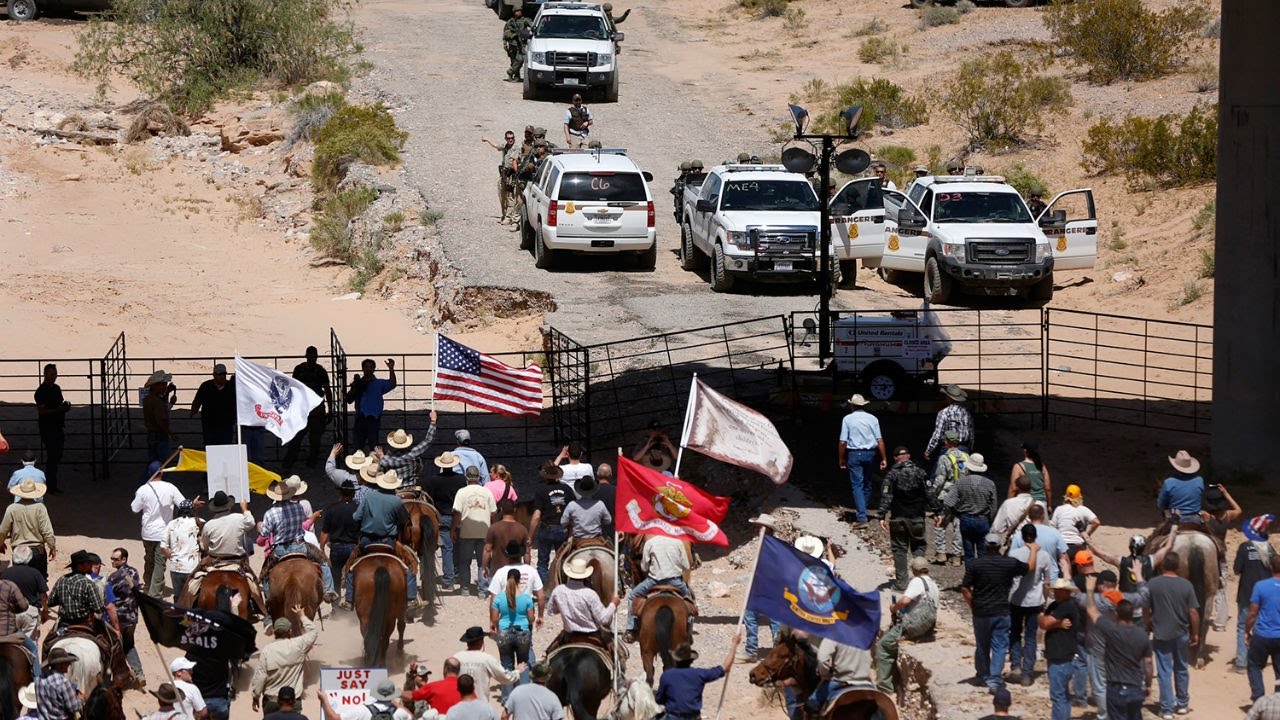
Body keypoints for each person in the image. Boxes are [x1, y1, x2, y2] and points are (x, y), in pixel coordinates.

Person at [960, 532, 1035, 693]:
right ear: (1000, 546)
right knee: (1000, 646)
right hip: (1001, 611)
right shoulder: (1009, 563)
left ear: (985, 545)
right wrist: (1034, 550)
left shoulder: (975, 564)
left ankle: (982, 675)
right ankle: (994, 681)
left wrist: (972, 604)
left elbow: (965, 588)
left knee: (982, 646)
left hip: (980, 611)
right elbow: (1029, 568)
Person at [1083, 574, 1153, 720]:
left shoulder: (1111, 630)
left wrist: (1090, 590)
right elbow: (1148, 664)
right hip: (1135, 688)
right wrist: (1148, 684)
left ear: (1116, 614)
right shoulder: (1142, 635)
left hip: (1117, 688)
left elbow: (1092, 611)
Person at [346, 470, 418, 608]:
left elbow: (356, 517)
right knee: (410, 564)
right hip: (389, 542)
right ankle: (411, 598)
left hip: (367, 541)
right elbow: (404, 521)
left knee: (351, 566)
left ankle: (349, 600)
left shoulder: (369, 497)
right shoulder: (396, 501)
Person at [261, 476, 337, 604]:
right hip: (300, 545)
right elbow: (301, 523)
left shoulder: (270, 513)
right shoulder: (298, 507)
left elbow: (264, 534)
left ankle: (269, 600)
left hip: (280, 549)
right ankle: (328, 590)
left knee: (265, 575)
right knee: (323, 562)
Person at [1147, 551, 1199, 719]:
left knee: (1164, 671)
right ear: (1178, 566)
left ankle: (1167, 708)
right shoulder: (1187, 585)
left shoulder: (1153, 584)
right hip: (1181, 632)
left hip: (1161, 632)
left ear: (1162, 565)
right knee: (1182, 667)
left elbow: (1146, 609)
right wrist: (1196, 633)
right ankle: (1182, 703)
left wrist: (1149, 624)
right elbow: (1193, 612)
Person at [875, 556, 938, 693]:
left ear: (914, 570)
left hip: (914, 624)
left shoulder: (917, 581)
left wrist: (894, 608)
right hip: (928, 626)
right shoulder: (933, 585)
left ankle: (885, 687)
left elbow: (904, 601)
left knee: (883, 645)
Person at [131, 464, 189, 596]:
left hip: (147, 532)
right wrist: (193, 504)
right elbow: (183, 504)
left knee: (149, 560)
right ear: (161, 473)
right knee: (159, 563)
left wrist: (137, 495)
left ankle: (148, 587)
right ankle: (155, 592)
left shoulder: (143, 489)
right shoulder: (170, 488)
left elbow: (134, 509)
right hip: (164, 532)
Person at [1007, 523, 1054, 686]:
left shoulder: (1014, 554)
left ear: (1022, 537)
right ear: (1035, 537)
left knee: (1014, 633)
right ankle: (1027, 672)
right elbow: (1047, 582)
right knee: (1031, 636)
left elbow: (1009, 578)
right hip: (1035, 600)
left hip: (1016, 599)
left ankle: (1015, 666)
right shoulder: (1045, 556)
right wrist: (1045, 600)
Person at [879, 445, 930, 591]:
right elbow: (930, 492)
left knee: (899, 550)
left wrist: (881, 515)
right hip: (917, 517)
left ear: (895, 458)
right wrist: (938, 511)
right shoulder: (921, 473)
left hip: (898, 518)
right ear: (909, 456)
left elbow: (886, 496)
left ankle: (902, 583)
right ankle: (920, 582)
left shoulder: (892, 475)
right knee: (919, 547)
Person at [623, 533, 692, 641]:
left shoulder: (650, 543)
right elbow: (686, 566)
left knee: (632, 595)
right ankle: (688, 629)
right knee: (690, 599)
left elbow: (644, 567)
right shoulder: (678, 542)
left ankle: (631, 629)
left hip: (654, 581)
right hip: (675, 581)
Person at [656, 633, 740, 720]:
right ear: (691, 660)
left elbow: (659, 699)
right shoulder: (699, 674)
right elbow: (725, 667)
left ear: (675, 659)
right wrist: (734, 645)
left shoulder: (667, 675)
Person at [251, 608, 319, 714]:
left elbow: (261, 677)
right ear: (290, 631)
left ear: (274, 632)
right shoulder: (298, 645)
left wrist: (256, 696)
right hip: (292, 702)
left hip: (272, 702)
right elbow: (313, 632)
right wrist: (302, 616)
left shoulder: (267, 651)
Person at [546, 558, 618, 648]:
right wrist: (613, 604)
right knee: (618, 652)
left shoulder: (559, 590)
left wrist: (565, 608)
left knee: (549, 653)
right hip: (592, 635)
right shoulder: (590, 594)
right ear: (585, 576)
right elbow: (603, 619)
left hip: (570, 634)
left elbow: (551, 611)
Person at [837, 394, 886, 528]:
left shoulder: (847, 419)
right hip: (871, 453)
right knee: (867, 483)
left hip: (854, 453)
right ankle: (863, 507)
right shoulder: (873, 419)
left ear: (852, 405)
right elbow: (879, 440)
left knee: (857, 485)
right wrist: (884, 458)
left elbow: (843, 441)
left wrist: (841, 458)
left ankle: (862, 515)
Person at [1237, 516, 1279, 672]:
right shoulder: (1270, 549)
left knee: (1242, 626)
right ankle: (1260, 659)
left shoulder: (1243, 547)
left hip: (1247, 591)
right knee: (1262, 624)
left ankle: (1241, 662)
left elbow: (1237, 569)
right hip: (1267, 593)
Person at [1040, 578, 1084, 720]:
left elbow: (1045, 622)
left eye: (1060, 591)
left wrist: (1044, 619)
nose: (1057, 593)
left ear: (1067, 592)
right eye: (1056, 590)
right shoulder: (1055, 605)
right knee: (1062, 695)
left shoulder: (1067, 606)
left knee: (1058, 696)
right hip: (1057, 655)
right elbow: (1043, 623)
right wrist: (1057, 624)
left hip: (1062, 656)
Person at [940, 453, 997, 562]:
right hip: (982, 519)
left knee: (968, 552)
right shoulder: (990, 484)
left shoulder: (961, 482)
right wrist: (990, 519)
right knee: (982, 551)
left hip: (966, 518)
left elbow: (948, 502)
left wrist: (956, 512)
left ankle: (970, 574)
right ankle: (982, 576)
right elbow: (993, 506)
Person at [283, 347, 332, 471]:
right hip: (303, 407)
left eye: (313, 356)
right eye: (310, 355)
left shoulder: (319, 371)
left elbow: (327, 389)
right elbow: (294, 388)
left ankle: (312, 460)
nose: (311, 358)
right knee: (297, 437)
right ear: (306, 356)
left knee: (315, 438)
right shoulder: (300, 369)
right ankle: (290, 462)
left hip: (315, 408)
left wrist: (330, 409)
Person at [491, 568, 536, 699]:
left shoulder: (499, 598)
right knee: (523, 663)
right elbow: (532, 619)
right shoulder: (526, 598)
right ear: (519, 580)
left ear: (507, 579)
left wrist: (498, 626)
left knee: (506, 666)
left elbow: (494, 619)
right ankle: (523, 697)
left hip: (504, 633)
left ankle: (507, 698)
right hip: (522, 633)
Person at [1203, 483, 1243, 631]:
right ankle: (1220, 622)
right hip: (1221, 555)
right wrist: (1226, 493)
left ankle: (1205, 618)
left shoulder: (1206, 517)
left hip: (1209, 554)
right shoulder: (1227, 515)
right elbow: (1239, 509)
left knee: (1206, 588)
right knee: (1222, 588)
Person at [454, 466, 498, 597]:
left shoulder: (461, 492)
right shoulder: (486, 491)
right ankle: (482, 590)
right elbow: (494, 512)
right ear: (479, 477)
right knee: (483, 562)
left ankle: (465, 588)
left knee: (464, 562)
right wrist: (494, 527)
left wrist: (453, 529)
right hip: (484, 532)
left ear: (466, 477)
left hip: (466, 532)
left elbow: (457, 512)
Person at [0, 477, 58, 579]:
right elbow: (47, 531)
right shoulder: (40, 508)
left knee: (20, 583)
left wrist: (0, 543)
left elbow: (3, 530)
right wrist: (52, 547)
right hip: (37, 551)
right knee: (40, 582)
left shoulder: (12, 508)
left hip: (19, 552)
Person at [742, 514, 782, 661]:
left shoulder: (773, 547)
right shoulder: (764, 544)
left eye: (759, 526)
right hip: (760, 587)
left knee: (774, 621)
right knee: (751, 617)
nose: (756, 528)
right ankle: (752, 651)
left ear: (767, 529)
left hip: (770, 588)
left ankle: (775, 651)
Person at [4, 545, 48, 672]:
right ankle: (36, 680)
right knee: (32, 648)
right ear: (29, 559)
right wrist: (45, 610)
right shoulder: (35, 573)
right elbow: (43, 595)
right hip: (30, 613)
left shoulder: (6, 573)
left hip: (10, 614)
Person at [428, 452, 468, 591]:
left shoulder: (434, 480)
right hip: (458, 515)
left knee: (447, 547)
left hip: (442, 515)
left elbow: (430, 498)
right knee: (458, 546)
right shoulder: (461, 479)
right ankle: (457, 574)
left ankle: (449, 578)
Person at [928, 431, 967, 566]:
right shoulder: (966, 456)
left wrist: (933, 493)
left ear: (947, 442)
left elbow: (940, 479)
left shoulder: (944, 458)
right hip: (962, 495)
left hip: (946, 494)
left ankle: (941, 553)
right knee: (958, 525)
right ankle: (956, 556)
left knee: (940, 523)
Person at [452, 626, 521, 698]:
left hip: (460, 702)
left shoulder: (456, 658)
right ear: (481, 641)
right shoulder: (487, 659)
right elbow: (505, 677)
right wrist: (517, 671)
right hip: (480, 703)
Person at [376, 410, 440, 487]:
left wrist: (381, 457)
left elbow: (379, 474)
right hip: (411, 488)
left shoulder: (385, 460)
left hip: (393, 489)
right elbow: (428, 440)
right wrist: (433, 421)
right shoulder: (412, 454)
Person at [529, 462, 570, 582]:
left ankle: (545, 590)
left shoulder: (541, 491)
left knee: (542, 562)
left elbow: (536, 516)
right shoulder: (566, 489)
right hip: (562, 527)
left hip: (547, 528)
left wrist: (530, 536)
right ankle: (562, 586)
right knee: (562, 560)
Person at [1247, 554, 1280, 701]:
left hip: (1262, 635)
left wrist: (1247, 630)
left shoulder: (1260, 586)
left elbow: (1253, 613)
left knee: (1254, 665)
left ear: (1270, 567)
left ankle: (1258, 697)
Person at [344, 358, 397, 452]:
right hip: (360, 417)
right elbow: (349, 399)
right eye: (367, 367)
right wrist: (355, 388)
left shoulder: (378, 383)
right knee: (358, 446)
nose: (369, 369)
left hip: (373, 418)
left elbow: (392, 384)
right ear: (363, 368)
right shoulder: (358, 383)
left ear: (374, 369)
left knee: (374, 446)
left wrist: (391, 369)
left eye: (371, 367)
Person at [319, 480, 360, 602]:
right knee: (351, 575)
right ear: (353, 494)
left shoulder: (332, 509)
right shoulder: (358, 509)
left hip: (336, 547)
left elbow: (325, 532)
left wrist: (321, 548)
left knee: (335, 576)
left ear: (340, 493)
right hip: (353, 546)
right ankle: (349, 602)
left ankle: (336, 606)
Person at [33, 363, 69, 495]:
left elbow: (58, 404)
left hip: (57, 426)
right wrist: (58, 410)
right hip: (48, 427)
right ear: (45, 375)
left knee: (56, 454)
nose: (54, 376)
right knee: (53, 455)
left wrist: (63, 407)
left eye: (55, 374)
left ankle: (51, 484)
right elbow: (42, 411)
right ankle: (51, 486)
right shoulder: (41, 392)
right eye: (52, 374)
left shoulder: (56, 389)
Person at [49, 549, 105, 631]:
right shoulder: (88, 584)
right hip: (84, 624)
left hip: (64, 624)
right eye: (88, 563)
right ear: (80, 566)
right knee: (105, 638)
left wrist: (64, 600)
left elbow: (50, 602)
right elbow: (98, 609)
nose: (90, 565)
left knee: (48, 641)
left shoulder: (62, 580)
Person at [1051, 484, 1100, 565]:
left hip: (1062, 547)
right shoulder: (1083, 509)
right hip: (1078, 546)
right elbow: (1096, 522)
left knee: (1063, 572)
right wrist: (1087, 534)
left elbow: (1053, 527)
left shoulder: (1059, 509)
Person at [190, 364, 237, 447]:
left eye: (223, 374)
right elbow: (197, 401)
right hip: (209, 425)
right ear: (214, 375)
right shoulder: (205, 386)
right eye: (219, 374)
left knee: (226, 447)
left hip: (226, 425)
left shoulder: (232, 386)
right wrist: (193, 412)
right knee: (210, 447)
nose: (222, 376)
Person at [161, 500, 201, 598]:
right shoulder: (199, 522)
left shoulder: (171, 524)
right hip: (194, 567)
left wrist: (173, 557)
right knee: (194, 597)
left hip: (176, 568)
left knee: (178, 597)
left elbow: (163, 547)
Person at [318, 679, 411, 720]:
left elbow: (333, 718)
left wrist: (324, 699)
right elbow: (411, 716)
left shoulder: (362, 711)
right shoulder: (400, 713)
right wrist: (394, 702)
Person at [923, 384, 973, 460]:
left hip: (949, 448)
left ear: (949, 398)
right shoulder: (966, 412)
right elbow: (971, 432)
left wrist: (928, 451)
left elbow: (937, 434)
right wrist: (970, 447)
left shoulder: (944, 413)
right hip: (964, 447)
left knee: (941, 470)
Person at [1157, 450, 1206, 525]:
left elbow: (1160, 505)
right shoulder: (1199, 480)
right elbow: (1202, 499)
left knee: (1156, 534)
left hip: (1175, 519)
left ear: (1175, 467)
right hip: (1195, 519)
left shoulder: (1168, 482)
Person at [483, 132, 522, 224]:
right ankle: (504, 215)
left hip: (511, 175)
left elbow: (514, 162)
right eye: (508, 138)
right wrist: (487, 140)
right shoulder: (505, 146)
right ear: (505, 139)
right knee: (502, 195)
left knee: (510, 196)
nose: (510, 140)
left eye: (512, 138)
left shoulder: (516, 148)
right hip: (503, 174)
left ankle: (508, 217)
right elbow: (496, 146)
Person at [485, 502, 530, 581]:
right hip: (515, 571)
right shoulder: (522, 529)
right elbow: (527, 552)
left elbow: (487, 550)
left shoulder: (494, 528)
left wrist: (484, 567)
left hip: (496, 569)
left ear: (501, 510)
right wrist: (527, 568)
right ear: (515, 510)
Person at [35, 647, 83, 719]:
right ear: (59, 665)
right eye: (66, 663)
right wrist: (81, 699)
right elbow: (73, 707)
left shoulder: (38, 680)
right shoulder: (63, 682)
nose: (69, 664)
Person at [142, 370, 179, 464]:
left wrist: (167, 395)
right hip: (159, 435)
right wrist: (171, 433)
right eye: (162, 385)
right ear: (155, 386)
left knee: (154, 460)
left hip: (152, 434)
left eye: (164, 384)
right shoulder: (157, 402)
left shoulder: (148, 399)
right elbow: (161, 420)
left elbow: (161, 407)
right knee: (163, 462)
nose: (164, 387)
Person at [562, 475, 611, 543]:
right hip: (597, 538)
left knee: (561, 552)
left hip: (578, 539)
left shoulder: (572, 505)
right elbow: (608, 520)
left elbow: (563, 522)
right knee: (612, 550)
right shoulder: (600, 504)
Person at [0, 573, 33, 674]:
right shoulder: (9, 585)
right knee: (33, 650)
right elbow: (23, 606)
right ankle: (37, 683)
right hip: (8, 634)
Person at [990, 475, 1036, 544]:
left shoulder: (1008, 503)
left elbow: (997, 528)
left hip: (1014, 541)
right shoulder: (1039, 505)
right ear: (1031, 488)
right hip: (1034, 542)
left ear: (1017, 488)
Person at [1009, 441, 1051, 507]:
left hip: (1025, 503)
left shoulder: (1018, 466)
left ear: (1025, 451)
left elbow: (1013, 489)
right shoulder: (1042, 466)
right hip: (1041, 503)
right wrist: (1049, 506)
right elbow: (1047, 488)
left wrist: (1009, 503)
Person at [502, 7, 532, 82]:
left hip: (520, 44)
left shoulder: (524, 20)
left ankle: (510, 72)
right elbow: (505, 33)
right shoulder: (510, 22)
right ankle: (515, 76)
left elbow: (532, 25)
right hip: (512, 44)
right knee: (513, 61)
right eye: (517, 11)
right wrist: (505, 43)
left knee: (520, 59)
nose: (519, 12)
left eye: (520, 11)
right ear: (514, 12)